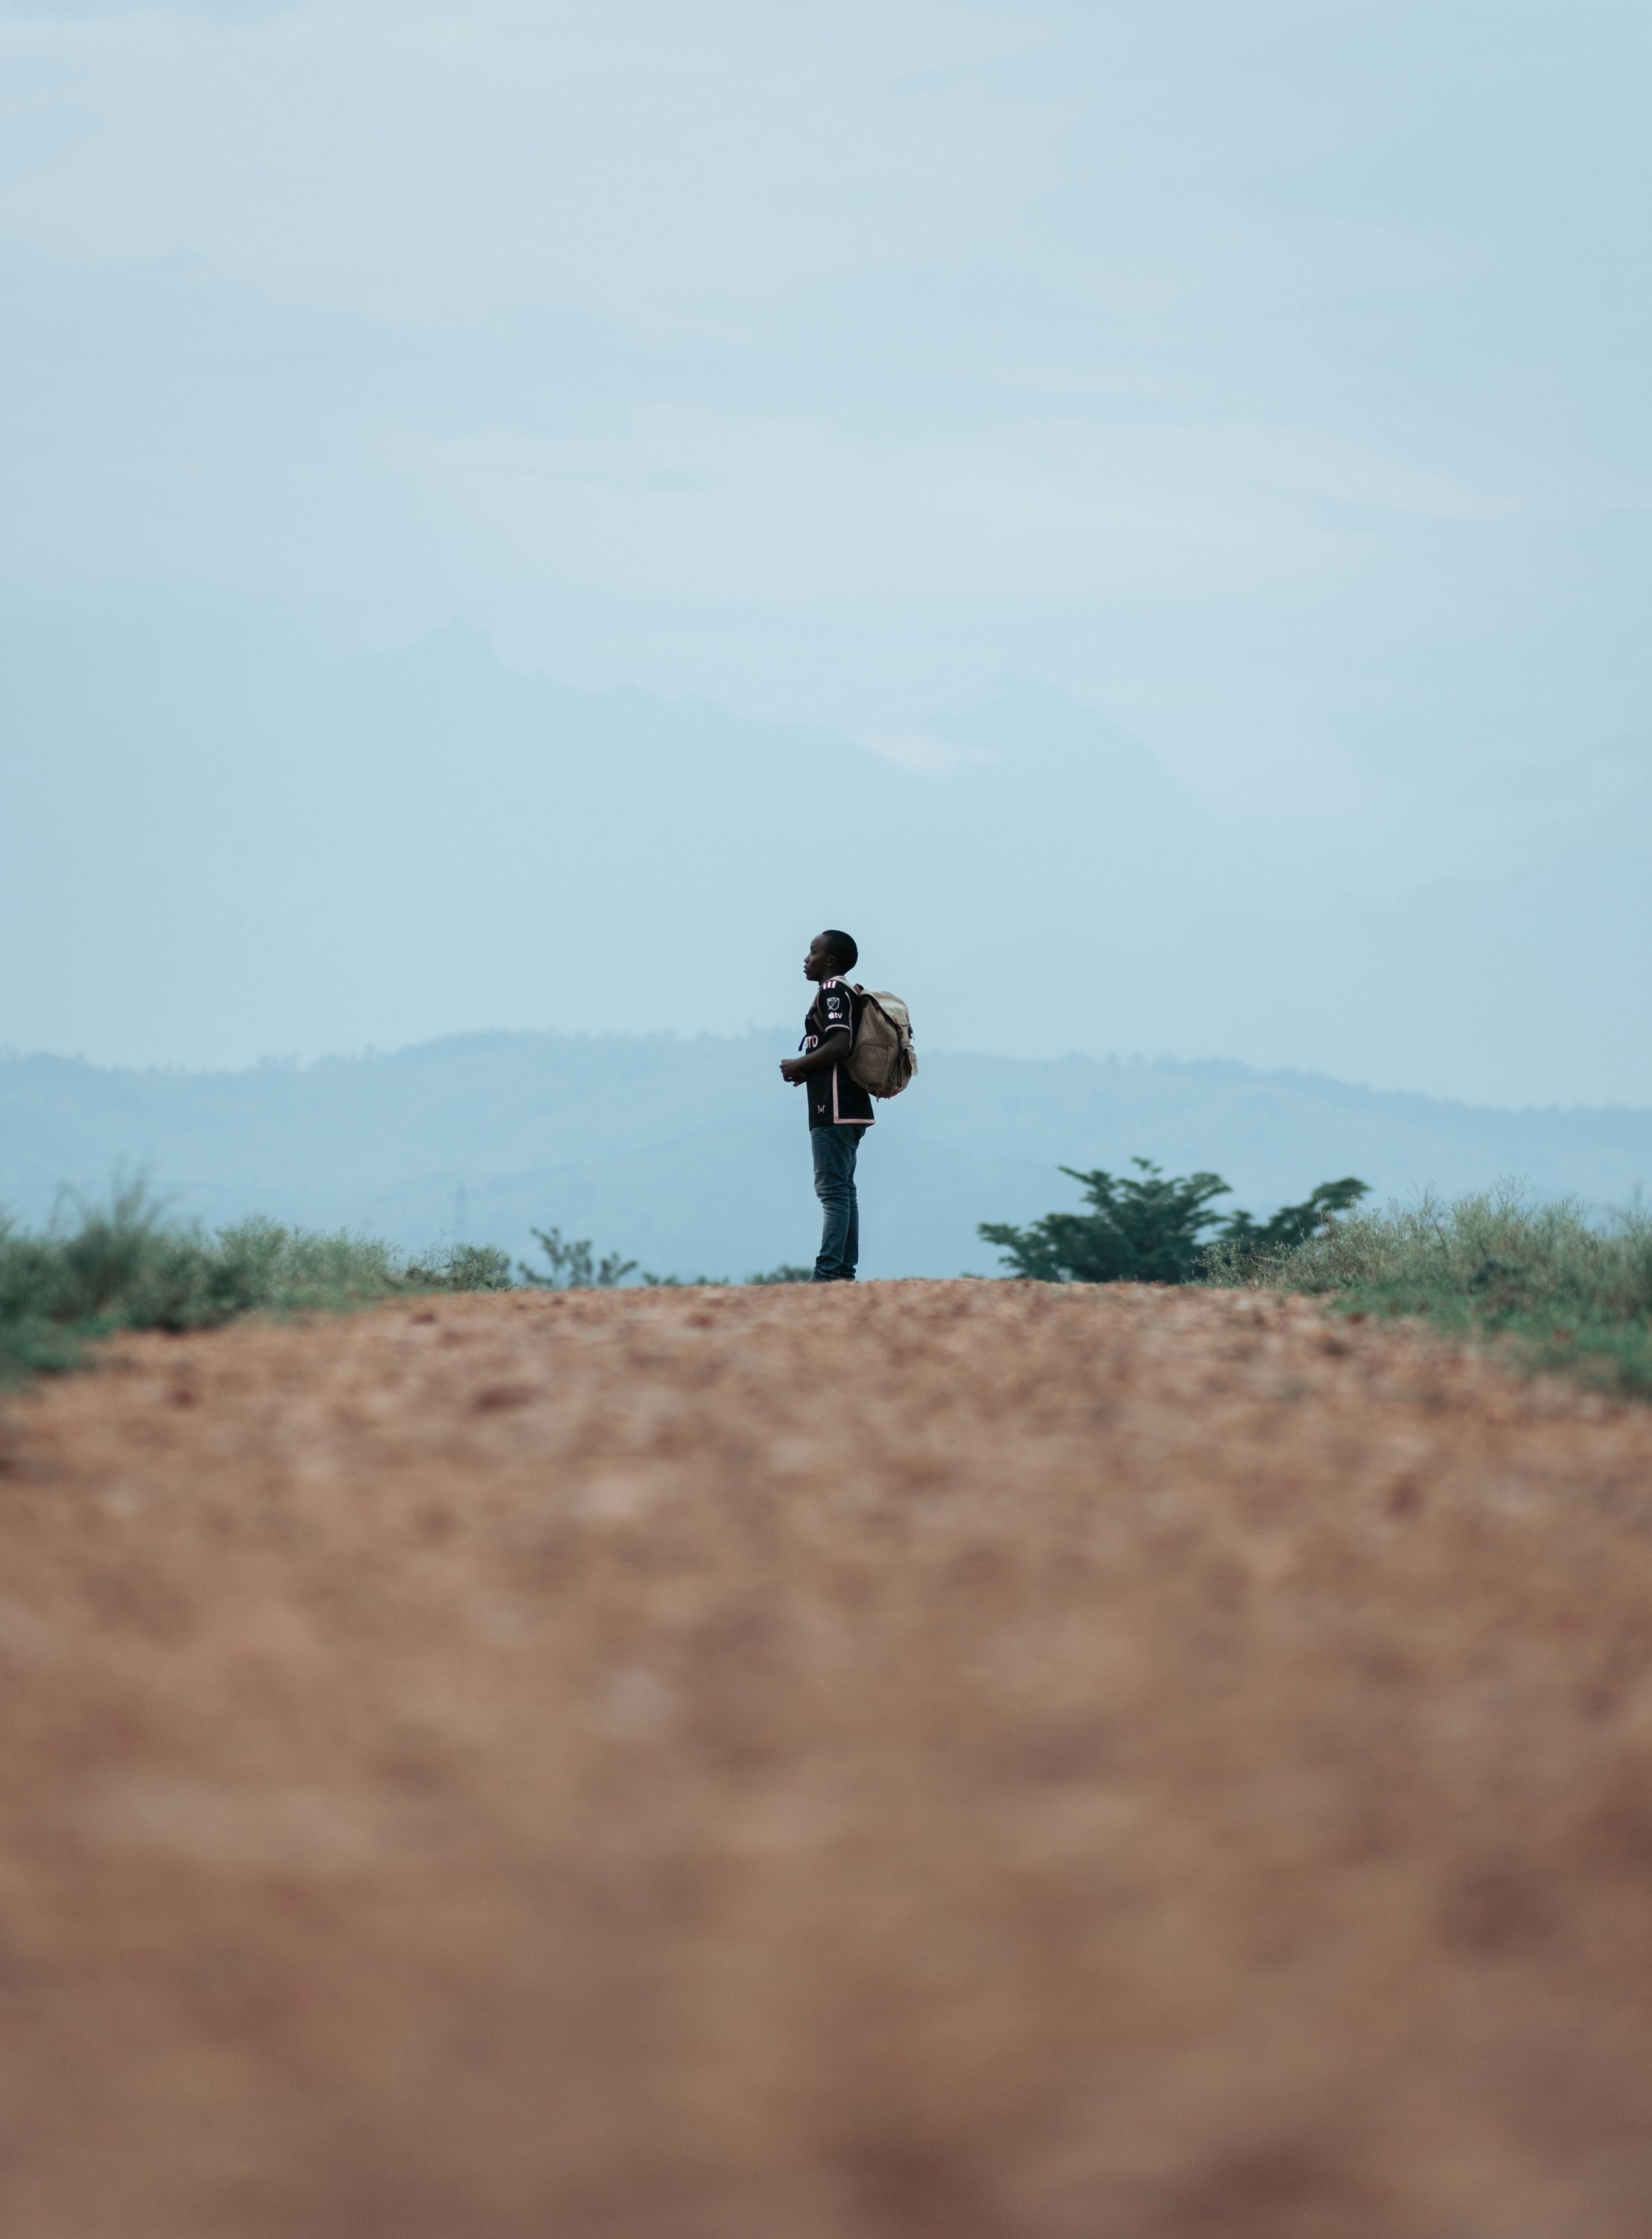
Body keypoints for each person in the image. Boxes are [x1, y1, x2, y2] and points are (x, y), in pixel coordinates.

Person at [779, 930, 874, 1281]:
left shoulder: (832, 990)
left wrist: (799, 1064)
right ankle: (843, 1273)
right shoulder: (846, 992)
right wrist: (808, 1071)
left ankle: (828, 1275)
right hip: (851, 1105)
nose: (807, 958)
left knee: (832, 1192)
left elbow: (840, 1045)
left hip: (832, 1106)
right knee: (844, 1190)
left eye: (813, 952)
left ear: (830, 961)